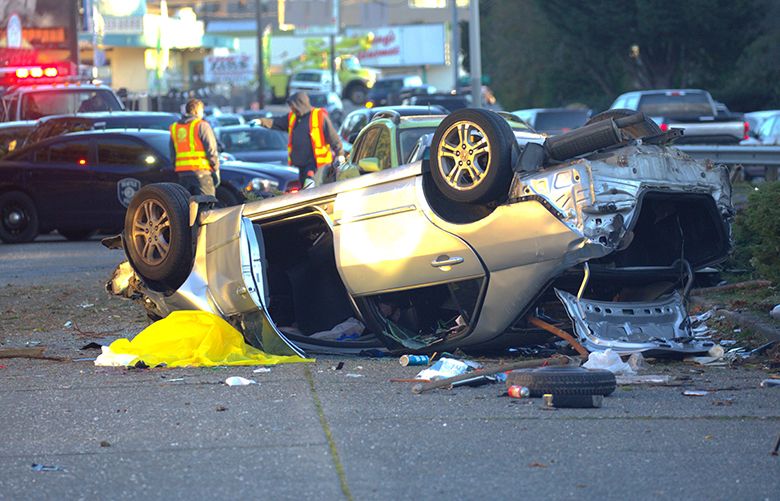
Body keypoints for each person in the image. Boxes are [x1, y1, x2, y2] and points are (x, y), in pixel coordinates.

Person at [259, 91, 344, 188]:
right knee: (305, 190)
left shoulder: (319, 116)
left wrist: (340, 154)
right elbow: (277, 122)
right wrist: (261, 121)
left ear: (300, 104)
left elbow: (333, 137)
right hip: (301, 164)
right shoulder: (293, 117)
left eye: (293, 106)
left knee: (312, 189)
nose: (291, 108)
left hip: (317, 164)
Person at [170, 99, 219, 196]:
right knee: (206, 205)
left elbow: (172, 153)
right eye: (202, 111)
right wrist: (215, 168)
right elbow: (211, 150)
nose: (202, 113)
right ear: (196, 111)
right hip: (201, 173)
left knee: (186, 206)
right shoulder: (202, 125)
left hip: (183, 175)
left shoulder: (175, 127)